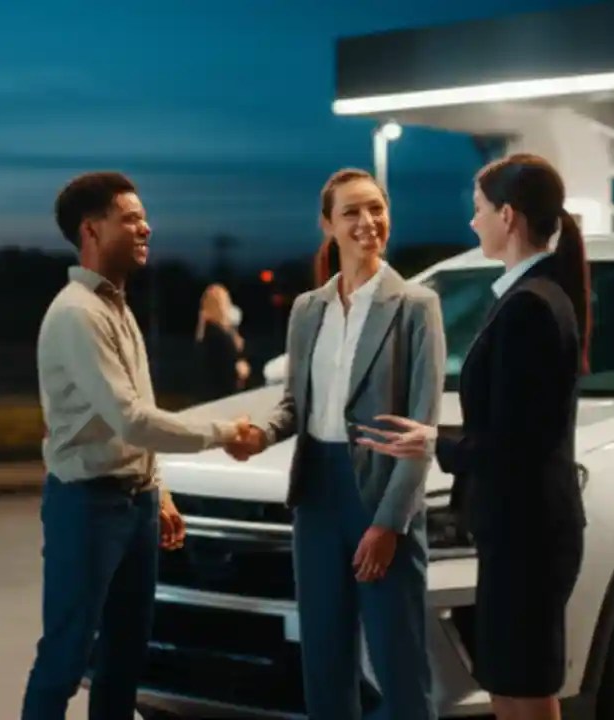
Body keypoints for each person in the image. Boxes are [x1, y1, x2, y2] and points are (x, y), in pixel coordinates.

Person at [356, 153, 590, 720]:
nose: (473, 221)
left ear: (508, 216)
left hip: (527, 531)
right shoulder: (531, 295)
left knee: (525, 687)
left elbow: (515, 443)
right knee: (511, 683)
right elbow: (512, 424)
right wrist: (439, 438)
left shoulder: (530, 307)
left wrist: (434, 443)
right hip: (521, 527)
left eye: (479, 209)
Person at [22, 171, 249, 720]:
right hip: (87, 506)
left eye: (143, 216)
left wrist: (160, 490)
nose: (146, 226)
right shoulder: (78, 312)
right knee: (66, 656)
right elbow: (131, 419)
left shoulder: (117, 307)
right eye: (130, 218)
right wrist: (225, 433)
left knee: (125, 658)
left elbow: (133, 414)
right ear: (91, 230)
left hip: (137, 504)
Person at [225, 168, 446, 720]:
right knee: (324, 662)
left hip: (379, 495)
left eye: (376, 208)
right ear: (327, 224)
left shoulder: (417, 306)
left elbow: (422, 428)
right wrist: (262, 434)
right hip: (316, 496)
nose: (367, 222)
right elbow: (296, 404)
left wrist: (389, 523)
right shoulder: (307, 309)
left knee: (400, 667)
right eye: (351, 212)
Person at [194, 283, 251, 400]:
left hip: (213, 395)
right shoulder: (216, 334)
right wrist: (238, 370)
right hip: (221, 396)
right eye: (226, 301)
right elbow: (223, 365)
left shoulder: (210, 330)